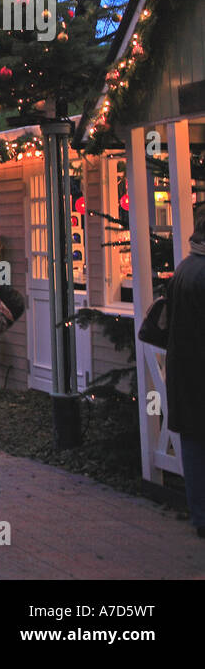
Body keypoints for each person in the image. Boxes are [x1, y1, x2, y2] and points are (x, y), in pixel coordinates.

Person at [165, 210, 205, 539]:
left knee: (193, 445)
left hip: (184, 371)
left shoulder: (184, 268)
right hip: (198, 371)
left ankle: (200, 513)